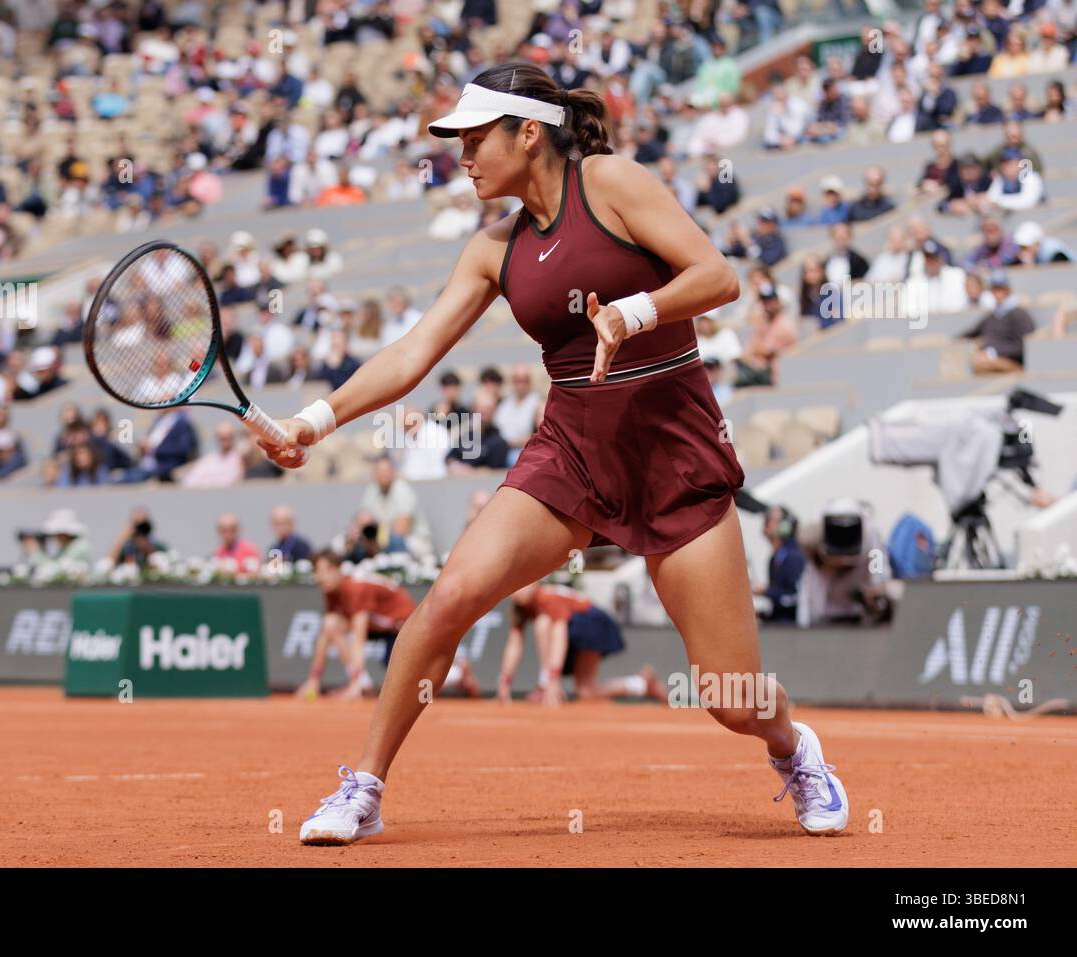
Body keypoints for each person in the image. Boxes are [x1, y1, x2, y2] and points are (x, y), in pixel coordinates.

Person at [257, 65, 849, 845]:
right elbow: (412, 353)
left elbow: (719, 275)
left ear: (527, 132)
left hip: (675, 455)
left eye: (473, 138)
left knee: (732, 696)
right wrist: (312, 419)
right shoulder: (491, 249)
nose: (461, 156)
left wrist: (632, 314)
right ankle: (363, 789)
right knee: (452, 595)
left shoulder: (610, 183)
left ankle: (792, 747)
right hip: (569, 455)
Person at [296, 549, 480, 702]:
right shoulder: (331, 591)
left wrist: (352, 684)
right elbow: (326, 633)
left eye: (324, 570)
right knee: (331, 624)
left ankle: (457, 674)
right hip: (378, 626)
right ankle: (362, 684)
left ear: (337, 569)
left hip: (402, 624)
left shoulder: (355, 588)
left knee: (405, 678)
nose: (320, 576)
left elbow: (359, 638)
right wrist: (314, 679)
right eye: (317, 571)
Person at [500, 581, 666, 706]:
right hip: (576, 631)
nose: (518, 587)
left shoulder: (548, 598)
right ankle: (642, 684)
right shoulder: (520, 608)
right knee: (587, 692)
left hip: (591, 623)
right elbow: (514, 644)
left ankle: (544, 685)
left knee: (542, 623)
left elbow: (560, 636)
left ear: (536, 582)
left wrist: (553, 680)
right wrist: (505, 683)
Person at [958, 271, 1036, 374]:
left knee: (979, 362)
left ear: (1008, 290)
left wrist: (993, 353)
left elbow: (1023, 345)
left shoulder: (1019, 314)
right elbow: (971, 332)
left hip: (1013, 363)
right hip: (991, 360)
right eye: (994, 289)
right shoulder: (991, 316)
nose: (997, 293)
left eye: (1000, 289)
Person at [753, 506, 804, 622]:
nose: (766, 522)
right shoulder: (775, 558)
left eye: (771, 519)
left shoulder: (793, 557)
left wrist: (766, 592)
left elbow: (795, 598)